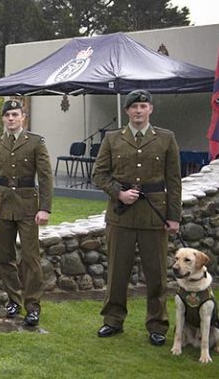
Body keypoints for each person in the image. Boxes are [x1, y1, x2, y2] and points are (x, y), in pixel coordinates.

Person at [92, 89, 181, 346]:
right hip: (121, 216)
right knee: (117, 272)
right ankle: (113, 320)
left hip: (154, 216)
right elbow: (99, 175)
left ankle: (157, 324)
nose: (139, 111)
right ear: (127, 111)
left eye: (143, 106)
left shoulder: (166, 139)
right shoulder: (112, 139)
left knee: (157, 274)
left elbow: (174, 181)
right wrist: (118, 193)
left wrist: (173, 216)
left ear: (150, 109)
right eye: (134, 107)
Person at [0, 99, 52, 327]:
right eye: (7, 115)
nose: (11, 118)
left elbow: (46, 177)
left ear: (23, 117)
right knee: (4, 257)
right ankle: (13, 299)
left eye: (15, 114)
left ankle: (33, 307)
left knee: (30, 259)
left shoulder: (36, 142)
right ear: (3, 118)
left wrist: (45, 208)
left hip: (29, 207)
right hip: (3, 205)